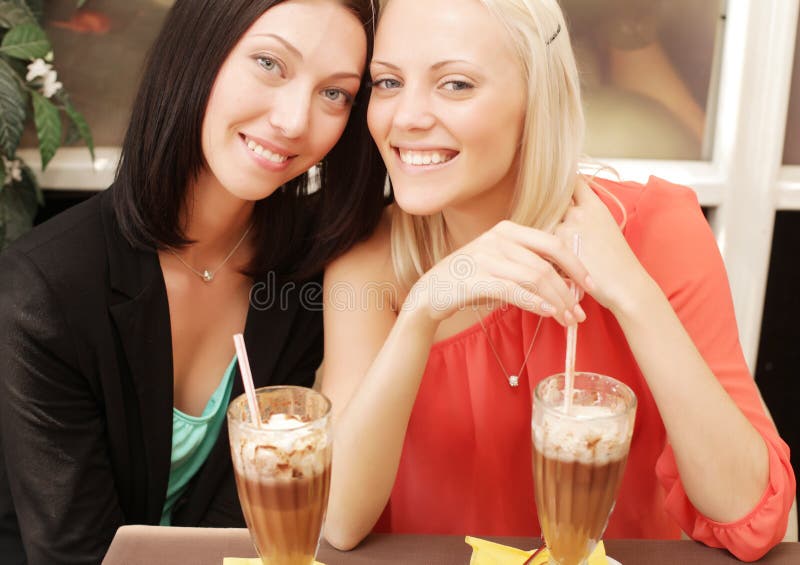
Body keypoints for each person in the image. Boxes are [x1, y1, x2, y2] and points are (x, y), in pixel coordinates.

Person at [320, 0, 795, 561]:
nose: (405, 117)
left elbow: (746, 516)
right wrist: (423, 309)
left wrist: (631, 292)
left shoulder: (659, 230)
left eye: (455, 84)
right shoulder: (368, 264)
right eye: (389, 82)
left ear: (537, 98)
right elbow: (336, 521)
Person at [0, 0, 385, 563]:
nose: (294, 121)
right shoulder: (44, 290)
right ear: (197, 53)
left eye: (335, 93)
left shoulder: (304, 265)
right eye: (270, 64)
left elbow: (242, 521)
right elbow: (76, 552)